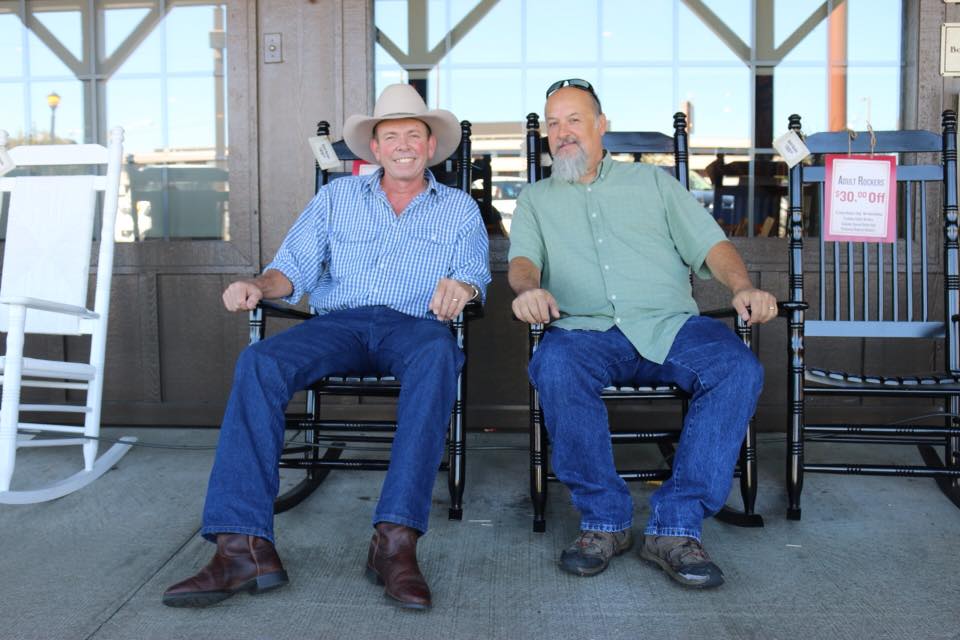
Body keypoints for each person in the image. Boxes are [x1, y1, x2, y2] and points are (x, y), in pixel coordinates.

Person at [163, 84, 491, 610]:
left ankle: (395, 542)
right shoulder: (336, 198)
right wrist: (259, 286)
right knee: (260, 360)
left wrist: (466, 287)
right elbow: (289, 270)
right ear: (375, 149)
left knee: (439, 355)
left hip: (413, 326)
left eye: (414, 135)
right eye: (392, 136)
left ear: (430, 147)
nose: (403, 144)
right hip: (339, 324)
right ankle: (241, 545)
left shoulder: (458, 208)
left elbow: (474, 272)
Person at [508, 79, 777, 589]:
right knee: (555, 364)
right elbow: (523, 262)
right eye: (553, 123)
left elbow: (710, 245)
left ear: (600, 126)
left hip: (669, 325)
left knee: (736, 367)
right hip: (584, 330)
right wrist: (526, 290)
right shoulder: (536, 199)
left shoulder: (653, 185)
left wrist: (741, 285)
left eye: (574, 120)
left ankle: (675, 527)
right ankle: (604, 522)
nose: (563, 133)